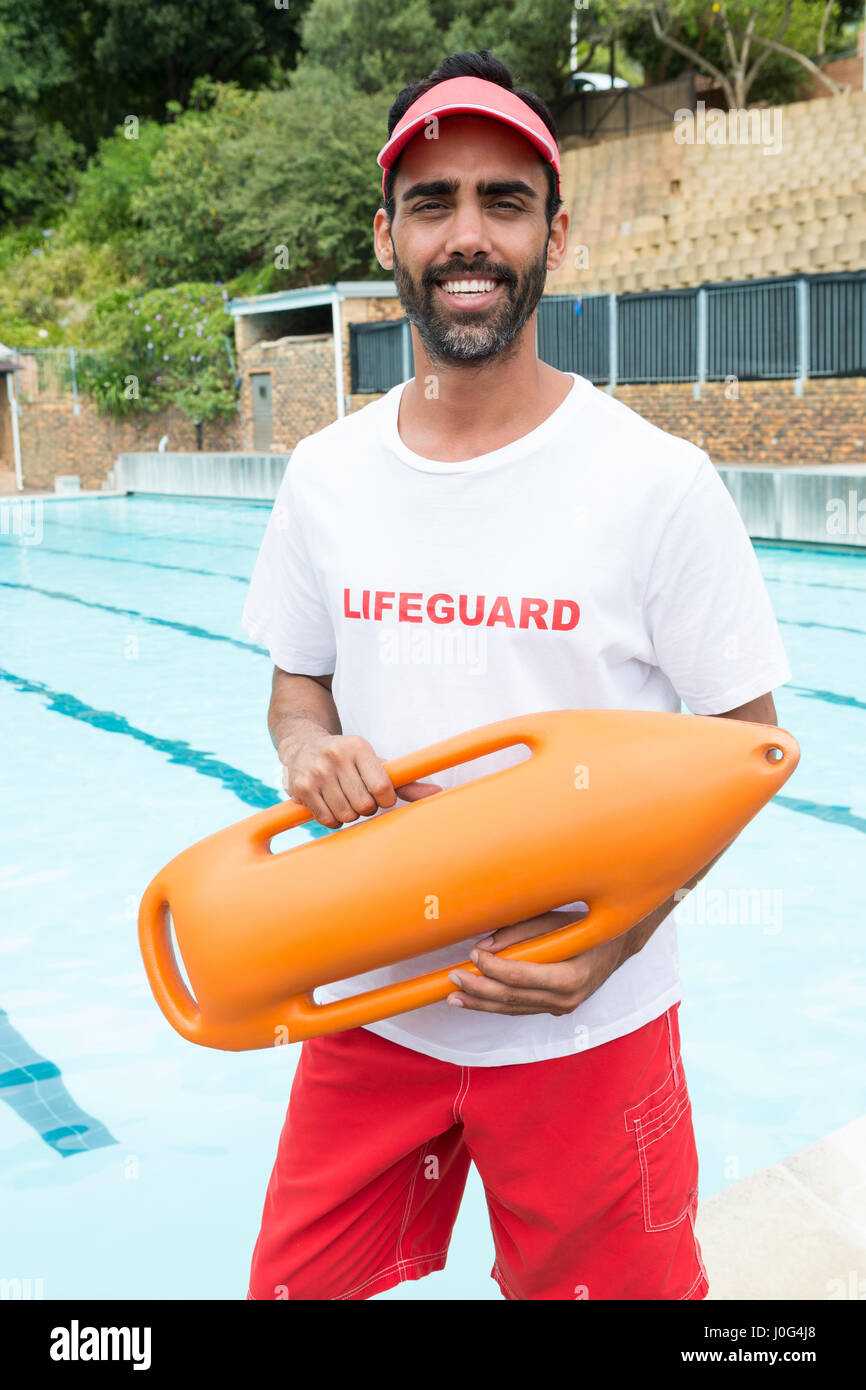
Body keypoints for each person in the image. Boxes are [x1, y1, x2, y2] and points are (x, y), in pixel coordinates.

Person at [240, 50, 793, 1301]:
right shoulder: (325, 476)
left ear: (556, 232)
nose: (466, 235)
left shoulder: (656, 483)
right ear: (387, 234)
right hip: (370, 1008)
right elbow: (296, 688)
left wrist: (610, 940)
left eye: (502, 199)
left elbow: (744, 755)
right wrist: (303, 749)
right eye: (432, 202)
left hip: (589, 1028)